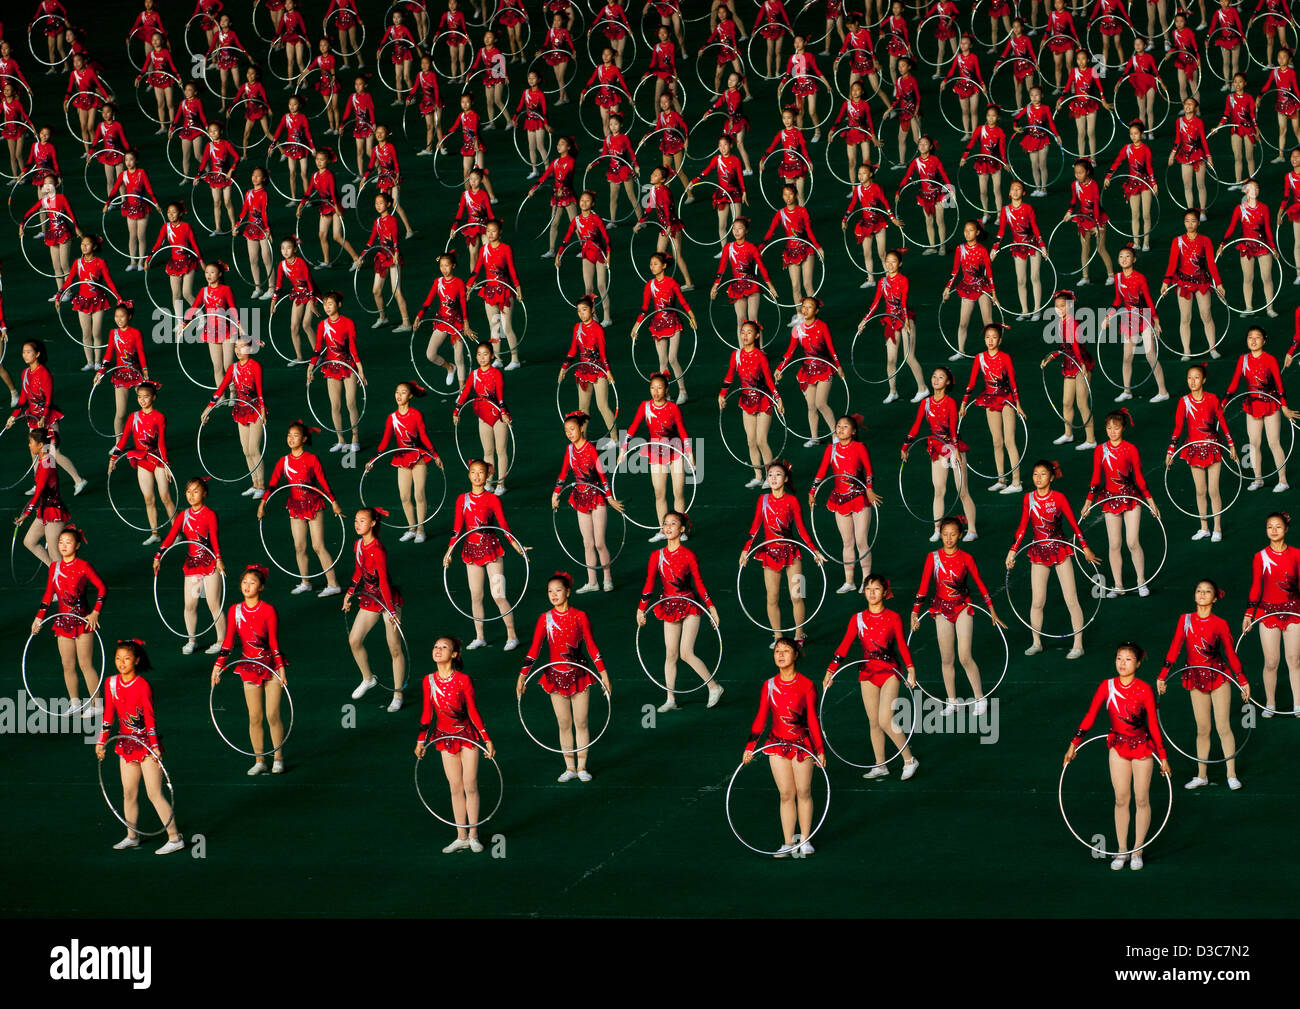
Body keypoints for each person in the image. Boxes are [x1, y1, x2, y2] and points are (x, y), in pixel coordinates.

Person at [1064, 642, 1171, 870]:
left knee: (1141, 799)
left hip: (1142, 748)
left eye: (1128, 659)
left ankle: (1137, 850)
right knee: (1121, 799)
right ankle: (1122, 850)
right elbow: (1090, 715)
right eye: (1119, 658)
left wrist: (1163, 757)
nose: (1122, 663)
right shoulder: (1107, 686)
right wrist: (1074, 743)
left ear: (1138, 663)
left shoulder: (1144, 689)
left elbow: (1153, 724)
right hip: (1118, 747)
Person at [516, 572, 612, 780]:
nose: (554, 594)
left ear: (568, 592)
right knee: (564, 722)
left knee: (581, 721)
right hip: (555, 675)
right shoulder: (545, 618)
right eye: (550, 591)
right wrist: (523, 676)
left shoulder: (580, 616)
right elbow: (534, 649)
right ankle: (569, 767)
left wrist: (604, 675)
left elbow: (592, 646)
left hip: (579, 674)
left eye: (558, 590)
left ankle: (582, 767)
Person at [824, 575, 920, 779]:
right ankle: (880, 765)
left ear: (885, 592)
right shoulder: (857, 618)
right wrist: (830, 670)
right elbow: (844, 646)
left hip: (889, 672)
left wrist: (910, 669)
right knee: (874, 722)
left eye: (876, 589)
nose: (872, 593)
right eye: (868, 589)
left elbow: (902, 645)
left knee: (885, 719)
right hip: (867, 672)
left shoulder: (893, 617)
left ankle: (909, 759)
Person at [1158, 581, 1251, 790]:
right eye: (1198, 590)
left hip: (1218, 676)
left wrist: (1242, 680)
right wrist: (1162, 675)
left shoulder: (1220, 623)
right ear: (1194, 596)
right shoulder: (1185, 619)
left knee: (1223, 726)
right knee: (1202, 728)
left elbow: (1230, 652)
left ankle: (1231, 774)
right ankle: (1201, 775)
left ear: (1215, 598)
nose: (1202, 594)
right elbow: (1175, 648)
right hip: (1194, 677)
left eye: (1207, 591)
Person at [96, 639, 184, 854]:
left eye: (126, 659)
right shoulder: (111, 683)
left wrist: (155, 748)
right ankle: (131, 835)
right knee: (128, 792)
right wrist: (101, 740)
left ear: (136, 660)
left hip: (145, 745)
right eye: (118, 658)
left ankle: (175, 837)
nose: (121, 663)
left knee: (154, 793)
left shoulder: (143, 686)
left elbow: (150, 720)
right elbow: (108, 715)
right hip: (126, 743)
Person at [1006, 460, 1100, 658]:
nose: (1038, 478)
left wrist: (1085, 548)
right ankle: (1036, 641)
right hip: (1038, 551)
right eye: (1035, 474)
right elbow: (1023, 527)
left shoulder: (1059, 498)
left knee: (1071, 599)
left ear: (1051, 478)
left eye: (1042, 474)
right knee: (1037, 600)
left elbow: (1074, 525)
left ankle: (1078, 644)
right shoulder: (1028, 498)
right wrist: (1013, 551)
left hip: (1060, 551)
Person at [911, 517, 1005, 713]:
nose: (948, 538)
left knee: (964, 656)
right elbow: (923, 586)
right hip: (940, 609)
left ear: (960, 535)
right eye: (945, 534)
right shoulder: (933, 557)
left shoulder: (966, 558)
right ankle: (952, 701)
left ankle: (980, 698)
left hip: (962, 607)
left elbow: (980, 583)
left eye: (953, 534)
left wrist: (992, 610)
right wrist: (914, 612)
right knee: (947, 658)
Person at [741, 637, 825, 856]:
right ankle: (788, 843)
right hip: (776, 744)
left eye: (786, 651)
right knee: (786, 794)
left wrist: (820, 750)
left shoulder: (806, 685)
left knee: (803, 791)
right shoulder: (768, 686)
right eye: (777, 651)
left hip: (802, 745)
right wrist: (750, 746)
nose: (780, 654)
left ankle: (805, 840)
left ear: (795, 655)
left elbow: (813, 721)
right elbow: (761, 718)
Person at [414, 636, 495, 853]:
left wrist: (486, 738)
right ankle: (461, 836)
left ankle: (474, 835)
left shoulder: (463, 680)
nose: (438, 650)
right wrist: (421, 741)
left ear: (454, 654)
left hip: (467, 736)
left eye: (444, 647)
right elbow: (426, 714)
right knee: (455, 787)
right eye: (435, 646)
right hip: (443, 738)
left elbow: (473, 711)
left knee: (470, 784)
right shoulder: (428, 680)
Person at [636, 511, 722, 712]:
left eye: (672, 524)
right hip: (668, 604)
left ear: (681, 529)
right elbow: (649, 584)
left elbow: (700, 584)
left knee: (685, 652)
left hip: (690, 604)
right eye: (665, 524)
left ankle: (714, 687)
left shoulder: (689, 555)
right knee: (671, 654)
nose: (667, 528)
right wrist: (641, 609)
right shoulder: (656, 556)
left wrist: (711, 608)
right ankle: (670, 698)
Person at [210, 564, 289, 775]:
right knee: (255, 717)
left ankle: (278, 758)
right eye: (244, 582)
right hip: (248, 667)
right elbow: (228, 642)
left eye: (252, 582)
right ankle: (260, 759)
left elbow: (274, 643)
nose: (247, 585)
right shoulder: (235, 610)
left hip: (270, 666)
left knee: (273, 714)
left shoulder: (268, 610)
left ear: (261, 587)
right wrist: (218, 667)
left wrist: (281, 669)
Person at [740, 459, 825, 646]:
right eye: (770, 475)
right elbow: (755, 527)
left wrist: (814, 550)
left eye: (778, 474)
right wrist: (745, 549)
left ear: (786, 478)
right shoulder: (762, 500)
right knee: (772, 598)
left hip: (792, 553)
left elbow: (802, 529)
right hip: (769, 553)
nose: (773, 478)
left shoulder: (792, 501)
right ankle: (777, 636)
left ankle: (799, 634)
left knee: (797, 595)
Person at [443, 458, 526, 649]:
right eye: (473, 472)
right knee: (476, 595)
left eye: (481, 472)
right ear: (469, 474)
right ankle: (480, 636)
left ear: (488, 474)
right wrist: (449, 551)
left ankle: (511, 635)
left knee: (498, 595)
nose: (477, 475)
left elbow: (504, 526)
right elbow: (457, 529)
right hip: (471, 551)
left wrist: (517, 547)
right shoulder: (461, 499)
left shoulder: (493, 499)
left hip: (492, 550)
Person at [258, 421, 345, 596]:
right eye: (289, 435)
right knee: (299, 546)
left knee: (318, 545)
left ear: (304, 439)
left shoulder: (312, 459)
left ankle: (333, 584)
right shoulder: (284, 461)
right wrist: (263, 503)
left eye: (295, 436)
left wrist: (334, 502)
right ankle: (305, 582)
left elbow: (323, 482)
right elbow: (273, 484)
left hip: (313, 504)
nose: (291, 439)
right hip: (295, 506)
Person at [1081, 411, 1161, 597]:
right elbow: (1095, 479)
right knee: (1114, 544)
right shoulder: (1100, 450)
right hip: (1110, 499)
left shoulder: (1131, 449)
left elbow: (1140, 479)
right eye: (1109, 428)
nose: (1112, 431)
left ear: (1123, 428)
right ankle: (1118, 585)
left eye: (1116, 428)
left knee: (1132, 542)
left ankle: (1141, 581)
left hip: (1131, 497)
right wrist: (1087, 503)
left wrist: (1151, 502)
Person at [30, 524, 103, 717]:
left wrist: (95, 612)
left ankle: (97, 704)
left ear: (77, 545)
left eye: (68, 542)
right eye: (60, 542)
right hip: (62, 622)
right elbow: (48, 596)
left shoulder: (84, 566)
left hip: (82, 622)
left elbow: (102, 589)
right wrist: (38, 619)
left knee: (85, 664)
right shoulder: (54, 567)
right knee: (67, 664)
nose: (63, 546)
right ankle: (75, 702)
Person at [901, 367, 979, 542]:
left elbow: (953, 430)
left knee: (962, 491)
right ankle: (937, 528)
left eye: (941, 377)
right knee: (938, 490)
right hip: (937, 449)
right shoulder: (926, 403)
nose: (936, 379)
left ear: (948, 382)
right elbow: (916, 425)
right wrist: (906, 446)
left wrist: (956, 451)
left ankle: (972, 530)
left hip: (953, 447)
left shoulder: (950, 402)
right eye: (934, 376)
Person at [552, 411, 624, 592]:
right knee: (587, 543)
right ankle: (592, 582)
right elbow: (563, 473)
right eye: (566, 430)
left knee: (599, 542)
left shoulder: (590, 449)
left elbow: (602, 475)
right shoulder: (569, 450)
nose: (569, 433)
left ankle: (607, 578)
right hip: (580, 498)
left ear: (581, 428)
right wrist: (556, 494)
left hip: (597, 496)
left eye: (572, 429)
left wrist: (609, 497)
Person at [153, 477, 226, 655]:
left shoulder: (209, 514)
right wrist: (158, 555)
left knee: (213, 603)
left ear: (204, 494)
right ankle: (191, 639)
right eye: (188, 491)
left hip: (209, 564)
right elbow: (171, 537)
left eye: (196, 491)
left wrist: (218, 559)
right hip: (193, 565)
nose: (191, 495)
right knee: (190, 604)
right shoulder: (183, 516)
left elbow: (214, 538)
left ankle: (221, 641)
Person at [343, 506, 406, 712]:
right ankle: (368, 678)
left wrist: (392, 611)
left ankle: (397, 694)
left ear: (372, 523)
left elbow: (384, 582)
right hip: (370, 598)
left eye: (362, 520)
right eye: (355, 520)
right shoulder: (358, 545)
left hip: (387, 599)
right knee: (354, 640)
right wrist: (349, 593)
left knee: (394, 648)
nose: (357, 524)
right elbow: (358, 571)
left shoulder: (377, 549)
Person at [810, 414, 882, 593]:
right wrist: (812, 491)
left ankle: (866, 581)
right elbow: (821, 471)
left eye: (845, 427)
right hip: (839, 499)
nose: (841, 429)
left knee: (861, 541)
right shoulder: (831, 449)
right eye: (839, 426)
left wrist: (869, 489)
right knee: (847, 542)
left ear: (854, 431)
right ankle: (849, 581)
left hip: (859, 497)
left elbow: (869, 469)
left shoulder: (859, 447)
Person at [1166, 363, 1238, 541]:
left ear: (1204, 380)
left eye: (1196, 377)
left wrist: (1231, 445)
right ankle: (1204, 527)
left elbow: (1222, 421)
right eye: (1190, 377)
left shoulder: (1212, 399)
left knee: (1213, 490)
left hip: (1213, 447)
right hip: (1193, 449)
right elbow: (1178, 427)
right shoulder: (1184, 401)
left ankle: (1217, 528)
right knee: (1200, 491)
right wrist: (1171, 450)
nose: (1192, 381)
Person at [1224, 325, 1298, 492]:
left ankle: (1283, 480)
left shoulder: (1270, 359)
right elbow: (1234, 384)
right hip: (1252, 405)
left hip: (1271, 404)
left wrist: (1284, 406)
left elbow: (1280, 386)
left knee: (1273, 442)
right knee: (1254, 443)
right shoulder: (1242, 360)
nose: (1253, 340)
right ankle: (1258, 479)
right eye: (1250, 337)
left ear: (1264, 340)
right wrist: (1224, 402)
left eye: (1257, 337)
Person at [368, 380, 443, 543]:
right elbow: (385, 441)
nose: (399, 395)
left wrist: (435, 455)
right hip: (401, 458)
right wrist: (373, 460)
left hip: (418, 456)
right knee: (404, 496)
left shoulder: (416, 414)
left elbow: (423, 436)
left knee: (419, 494)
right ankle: (411, 528)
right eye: (397, 392)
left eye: (403, 392)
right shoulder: (392, 418)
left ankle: (421, 529)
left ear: (410, 396)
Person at [618, 372, 693, 534]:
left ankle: (679, 531)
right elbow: (633, 427)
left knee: (678, 492)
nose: (655, 391)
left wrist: (690, 453)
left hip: (675, 450)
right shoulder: (645, 406)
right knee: (659, 493)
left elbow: (682, 431)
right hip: (656, 451)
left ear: (666, 390)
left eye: (659, 388)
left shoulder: (673, 408)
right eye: (652, 388)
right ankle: (663, 530)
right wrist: (623, 449)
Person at [1243, 512, 1300, 716]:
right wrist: (1249, 614)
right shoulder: (1260, 557)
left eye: (1278, 526)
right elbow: (1256, 587)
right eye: (1270, 527)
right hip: (1268, 613)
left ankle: (1298, 704)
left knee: (1294, 659)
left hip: (1294, 611)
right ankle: (1270, 703)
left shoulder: (1297, 554)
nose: (1274, 530)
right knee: (1271, 661)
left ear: (1286, 529)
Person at [959, 324, 1026, 493]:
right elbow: (971, 383)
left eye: (994, 337)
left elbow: (1013, 382)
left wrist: (1018, 404)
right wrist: (964, 403)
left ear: (1000, 340)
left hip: (1006, 400)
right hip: (990, 399)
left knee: (1009, 441)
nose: (990, 340)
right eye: (987, 337)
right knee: (997, 442)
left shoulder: (1005, 357)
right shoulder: (979, 358)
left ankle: (1016, 482)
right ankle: (1001, 479)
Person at [108, 381, 175, 546]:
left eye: (146, 397)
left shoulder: (159, 417)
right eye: (139, 397)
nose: (142, 400)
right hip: (142, 460)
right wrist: (113, 458)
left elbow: (161, 443)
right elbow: (123, 440)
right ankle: (155, 533)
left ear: (154, 397)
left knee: (165, 497)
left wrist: (165, 464)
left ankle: (176, 533)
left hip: (158, 460)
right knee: (148, 499)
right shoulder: (133, 416)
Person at [204, 336, 267, 498]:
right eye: (236, 347)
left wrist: (262, 408)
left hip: (255, 410)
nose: (238, 350)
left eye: (243, 347)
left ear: (251, 350)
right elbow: (221, 389)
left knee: (254, 448)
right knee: (246, 451)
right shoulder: (233, 368)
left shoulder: (255, 366)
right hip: (240, 411)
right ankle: (254, 483)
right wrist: (207, 409)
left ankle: (261, 485)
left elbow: (260, 390)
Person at [308, 291, 366, 453]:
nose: (327, 307)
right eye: (325, 304)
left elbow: (353, 348)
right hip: (331, 366)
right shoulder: (322, 325)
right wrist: (310, 367)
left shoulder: (348, 322)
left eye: (330, 304)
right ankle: (340, 439)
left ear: (338, 305)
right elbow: (318, 348)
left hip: (347, 365)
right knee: (335, 405)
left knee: (350, 403)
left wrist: (360, 369)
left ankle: (355, 437)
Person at [1041, 289, 1097, 450]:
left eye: (1063, 306)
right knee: (1066, 402)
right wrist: (1050, 358)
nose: (1059, 309)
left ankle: (1091, 439)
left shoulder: (1073, 322)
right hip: (1069, 364)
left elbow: (1076, 346)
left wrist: (1083, 365)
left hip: (1081, 364)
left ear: (1070, 306)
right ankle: (1068, 433)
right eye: (1057, 306)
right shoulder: (1061, 322)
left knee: (1082, 403)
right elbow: (1064, 347)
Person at [454, 341, 513, 493]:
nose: (482, 358)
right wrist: (456, 411)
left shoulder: (496, 374)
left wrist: (504, 413)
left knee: (501, 450)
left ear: (492, 356)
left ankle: (501, 483)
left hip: (499, 416)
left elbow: (500, 396)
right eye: (479, 354)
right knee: (487, 452)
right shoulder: (474, 375)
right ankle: (489, 482)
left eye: (485, 354)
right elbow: (465, 393)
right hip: (482, 415)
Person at [940, 219, 998, 359]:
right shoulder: (960, 249)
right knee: (963, 323)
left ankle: (992, 352)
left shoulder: (982, 250)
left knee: (988, 323)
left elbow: (989, 272)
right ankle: (961, 351)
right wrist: (948, 287)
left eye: (971, 230)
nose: (967, 233)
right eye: (965, 230)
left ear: (977, 232)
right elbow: (955, 271)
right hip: (967, 288)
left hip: (982, 288)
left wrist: (993, 293)